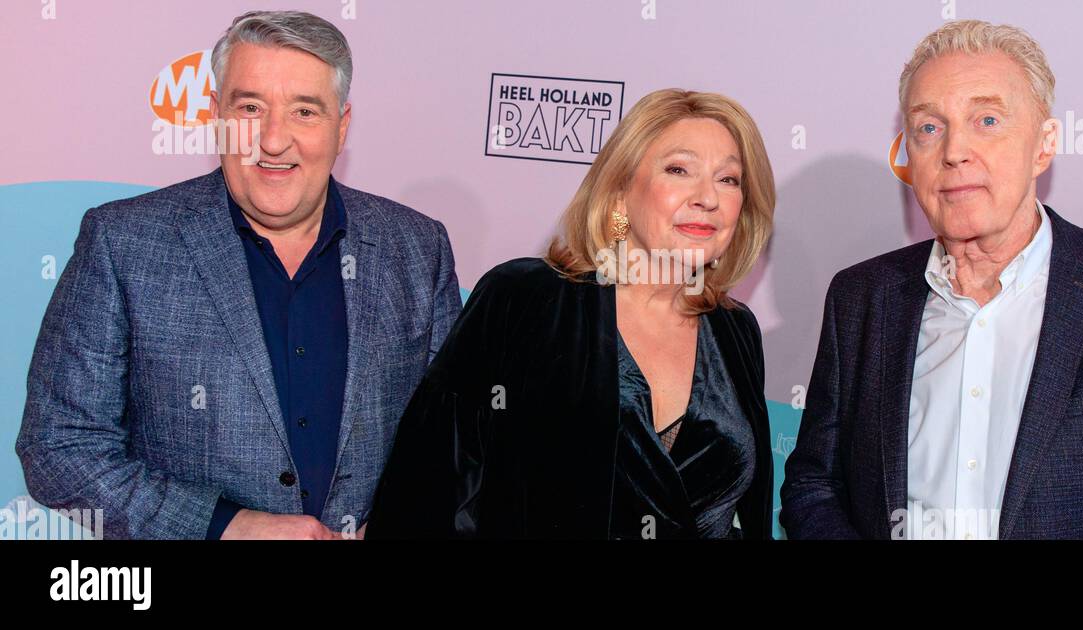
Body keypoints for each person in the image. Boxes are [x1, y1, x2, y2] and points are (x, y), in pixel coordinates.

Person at [781, 20, 1083, 539]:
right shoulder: (860, 298)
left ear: (1043, 146)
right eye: (929, 127)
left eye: (988, 120)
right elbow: (813, 485)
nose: (954, 151)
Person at [16, 10, 462, 539]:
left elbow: (453, 440)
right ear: (216, 116)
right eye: (251, 107)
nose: (273, 140)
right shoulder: (123, 243)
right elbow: (58, 446)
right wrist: (226, 527)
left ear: (341, 126)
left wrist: (400, 522)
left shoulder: (416, 247)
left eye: (304, 111)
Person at [366, 89, 776, 539]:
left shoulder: (735, 330)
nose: (707, 198)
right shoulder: (524, 297)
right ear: (621, 193)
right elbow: (428, 487)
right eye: (679, 170)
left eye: (729, 179)